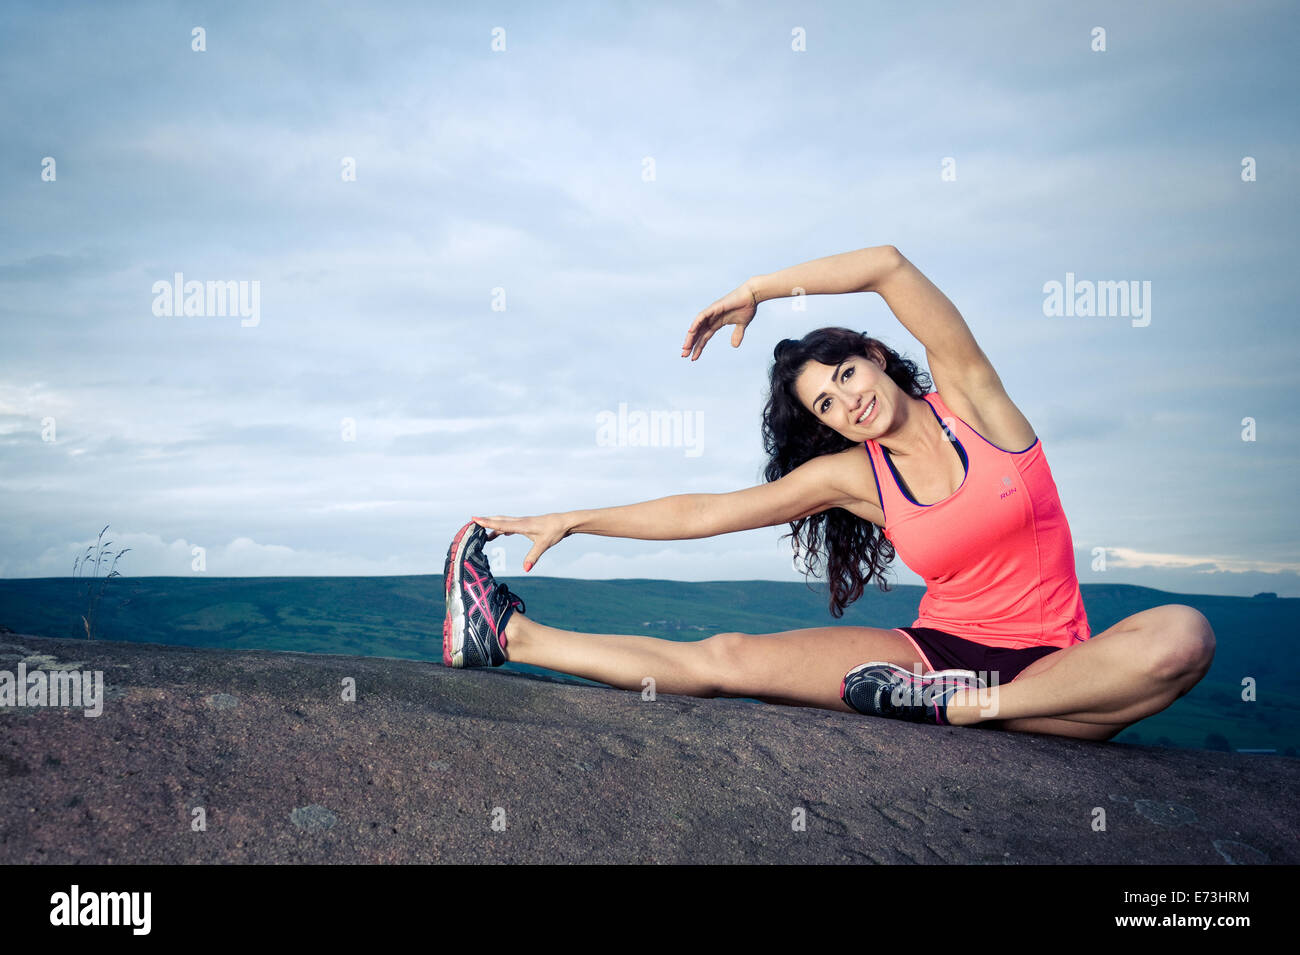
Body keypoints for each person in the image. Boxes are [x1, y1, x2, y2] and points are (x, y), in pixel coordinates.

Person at [441, 245, 1215, 741]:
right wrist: (572, 519)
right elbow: (706, 513)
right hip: (928, 656)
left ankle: (968, 710)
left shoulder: (977, 403)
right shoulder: (856, 475)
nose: (849, 402)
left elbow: (889, 266)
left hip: (1055, 675)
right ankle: (508, 637)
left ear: (875, 355)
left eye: (847, 374)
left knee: (1182, 636)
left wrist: (758, 289)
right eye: (827, 404)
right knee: (729, 659)